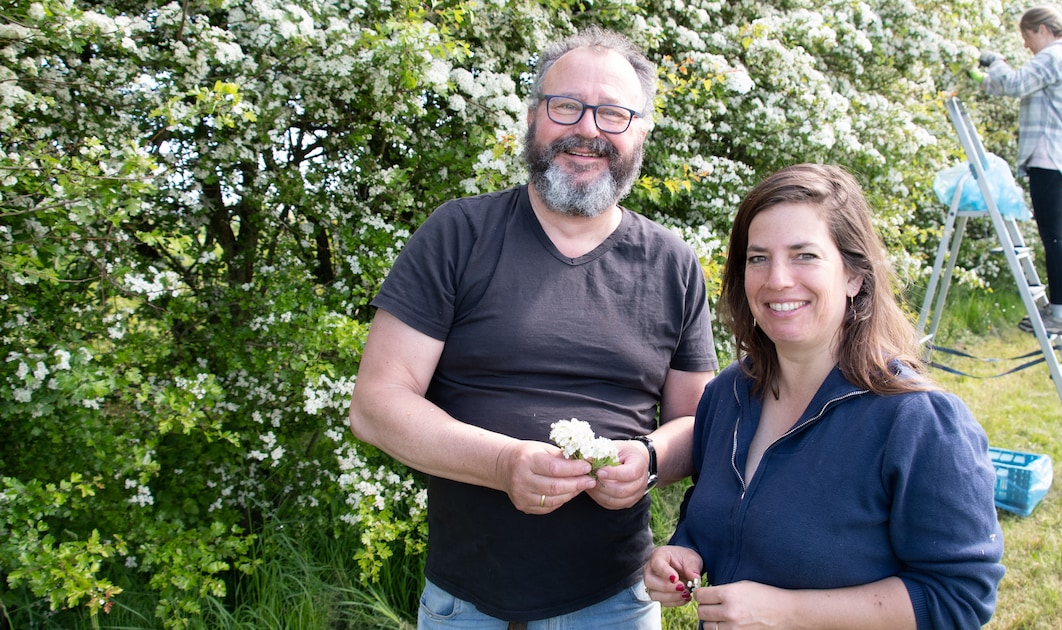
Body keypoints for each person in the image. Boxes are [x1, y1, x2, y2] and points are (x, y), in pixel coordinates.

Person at [348, 26, 719, 629]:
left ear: (641, 131)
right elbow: (376, 404)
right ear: (532, 117)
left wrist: (648, 459)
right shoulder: (457, 235)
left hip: (615, 602)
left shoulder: (671, 263)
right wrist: (503, 464)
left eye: (613, 114)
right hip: (464, 602)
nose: (588, 129)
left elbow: (701, 424)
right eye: (566, 106)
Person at [644, 164, 1005, 629]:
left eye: (804, 255)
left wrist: (788, 613)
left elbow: (958, 599)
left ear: (854, 275)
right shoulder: (727, 395)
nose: (776, 279)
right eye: (757, 258)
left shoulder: (919, 420)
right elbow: (718, 513)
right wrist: (685, 549)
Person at [979, 5, 1062, 335]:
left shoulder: (1055, 55)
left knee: (1054, 237)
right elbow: (1017, 87)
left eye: (1027, 37)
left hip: (1050, 156)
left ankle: (1058, 314)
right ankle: (1059, 307)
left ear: (1042, 29)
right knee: (1060, 237)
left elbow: (1015, 84)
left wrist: (996, 62)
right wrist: (987, 81)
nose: (1027, 45)